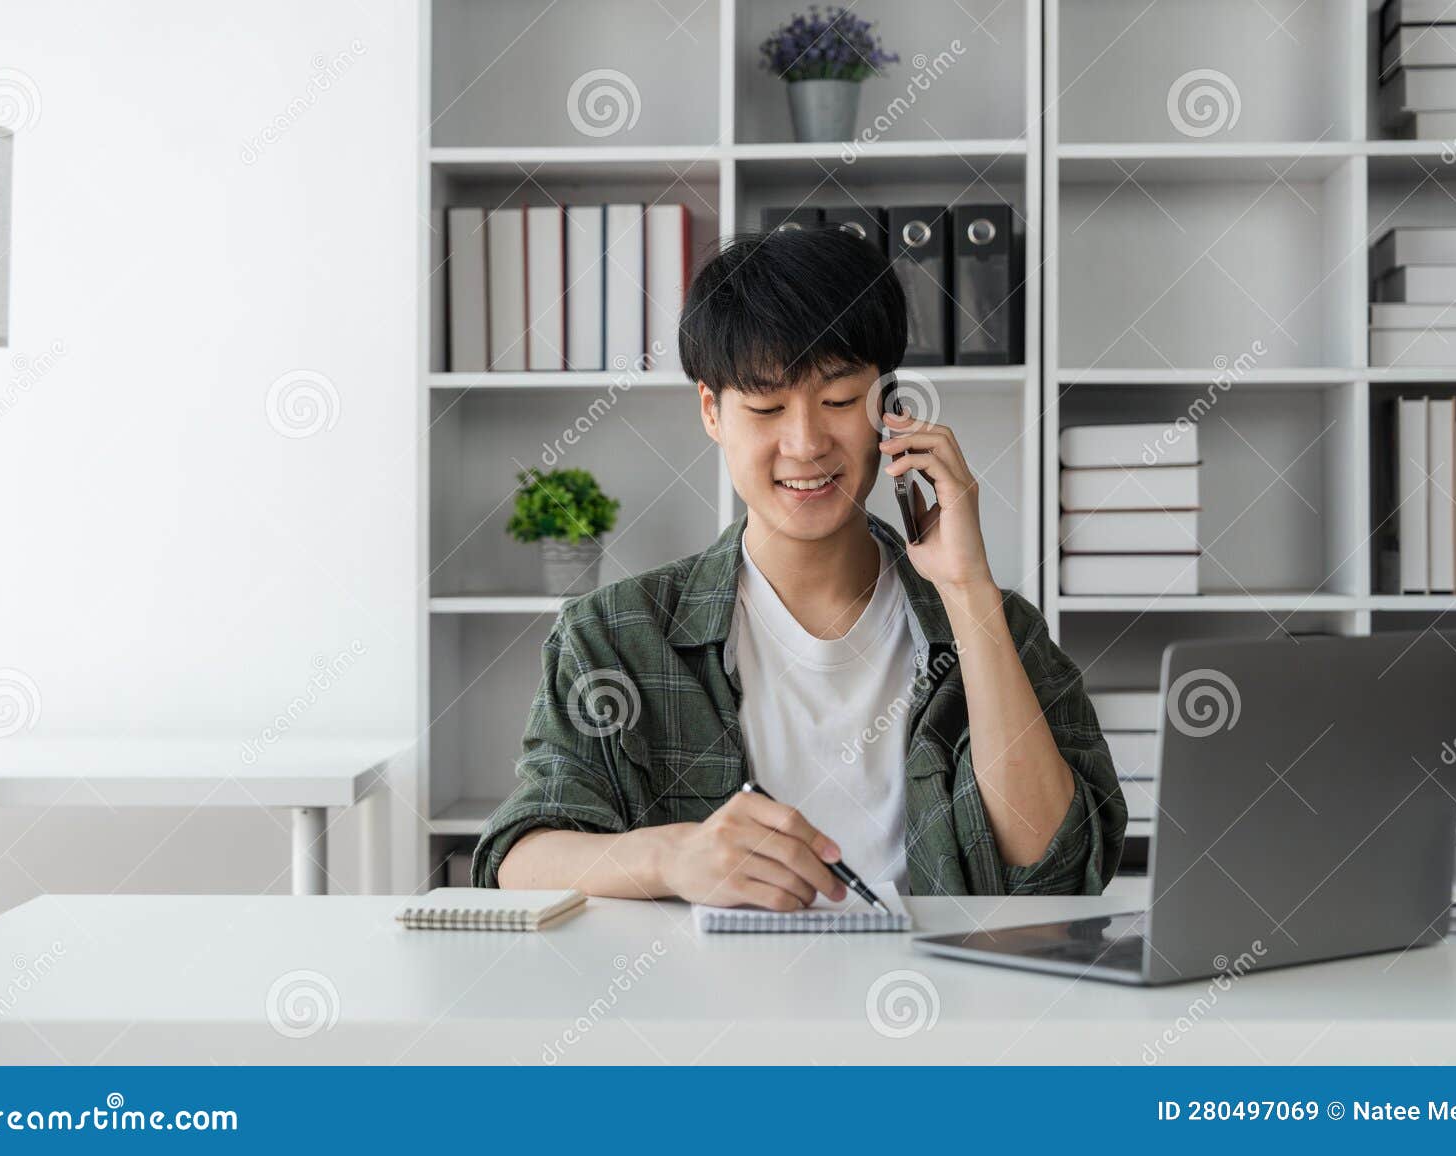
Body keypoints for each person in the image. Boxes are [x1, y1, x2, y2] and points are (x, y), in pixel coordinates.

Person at [471, 226, 1125, 907]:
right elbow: (516, 857)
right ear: (712, 412)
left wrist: (967, 591)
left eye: (838, 401)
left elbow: (1057, 873)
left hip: (933, 981)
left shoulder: (998, 627)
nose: (806, 443)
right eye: (766, 407)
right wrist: (673, 857)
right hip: (705, 982)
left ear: (890, 409)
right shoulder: (613, 634)